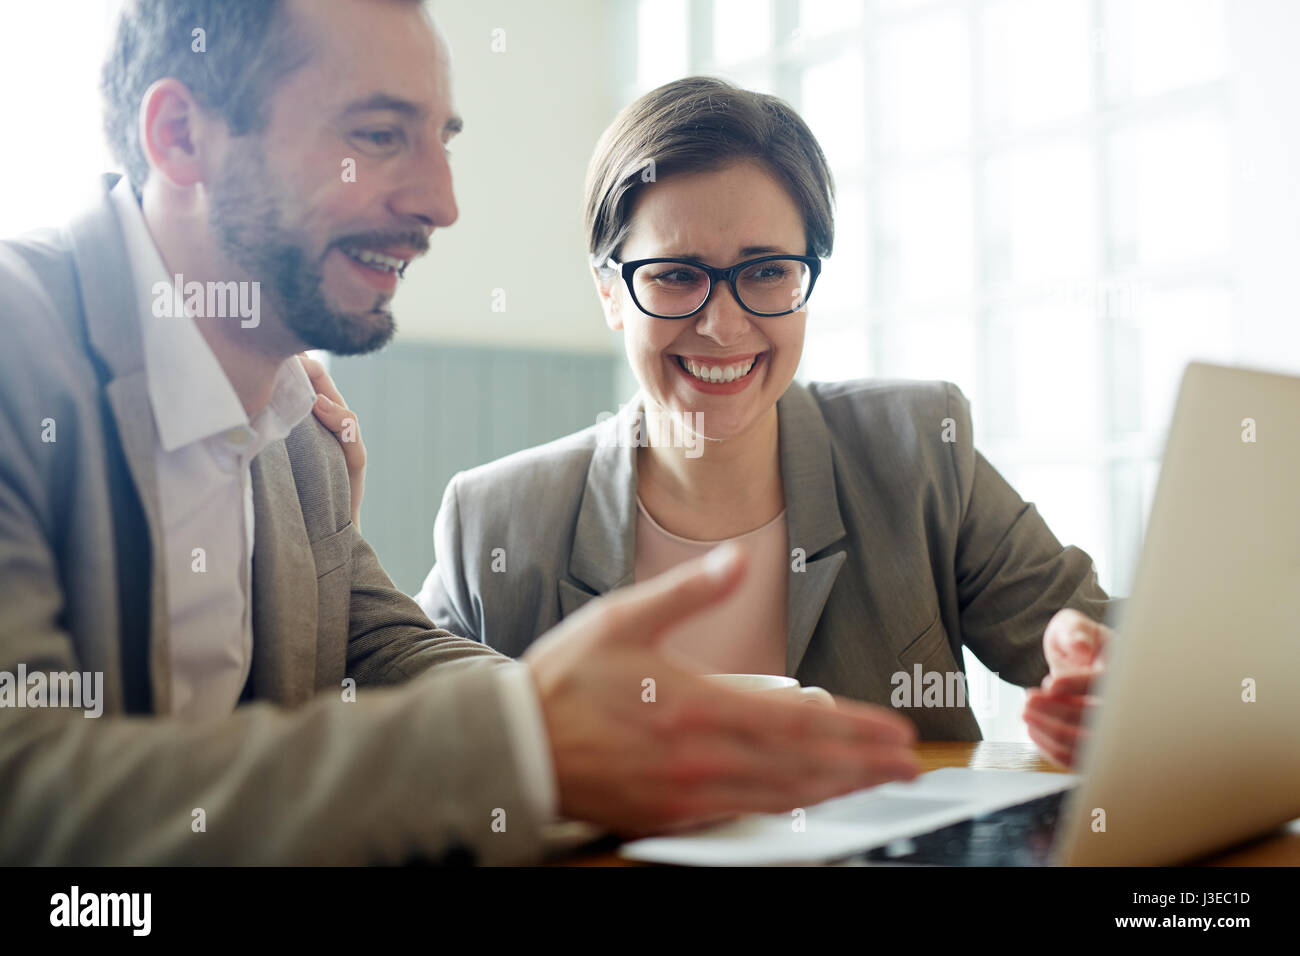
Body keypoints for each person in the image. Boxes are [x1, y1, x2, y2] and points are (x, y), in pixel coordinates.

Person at [0, 0, 922, 865]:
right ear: (181, 136)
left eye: (440, 141)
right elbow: (26, 792)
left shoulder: (296, 424)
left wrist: (650, 721)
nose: (442, 203)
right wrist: (526, 743)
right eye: (377, 136)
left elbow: (383, 654)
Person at [336, 76, 1117, 767]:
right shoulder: (498, 520)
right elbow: (411, 744)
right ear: (609, 292)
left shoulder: (919, 449)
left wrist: (1104, 679)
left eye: (767, 272)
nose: (723, 325)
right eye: (676, 276)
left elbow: (1120, 657)